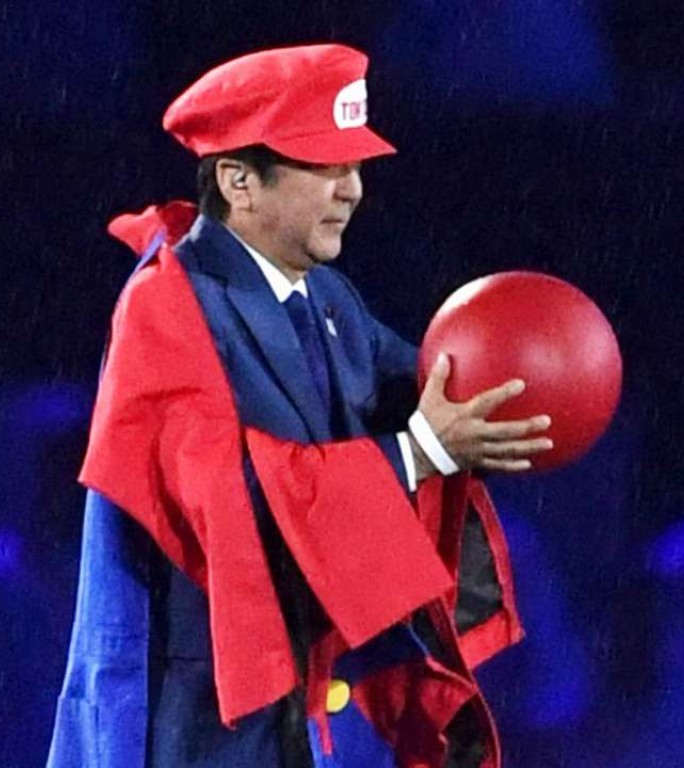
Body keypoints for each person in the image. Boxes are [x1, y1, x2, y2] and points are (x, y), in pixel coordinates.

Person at [47, 43, 553, 768]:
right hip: (181, 727)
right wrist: (421, 452)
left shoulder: (328, 299)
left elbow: (430, 396)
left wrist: (516, 397)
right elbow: (227, 503)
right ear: (239, 182)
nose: (352, 190)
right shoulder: (167, 305)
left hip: (288, 717)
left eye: (356, 168)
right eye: (327, 167)